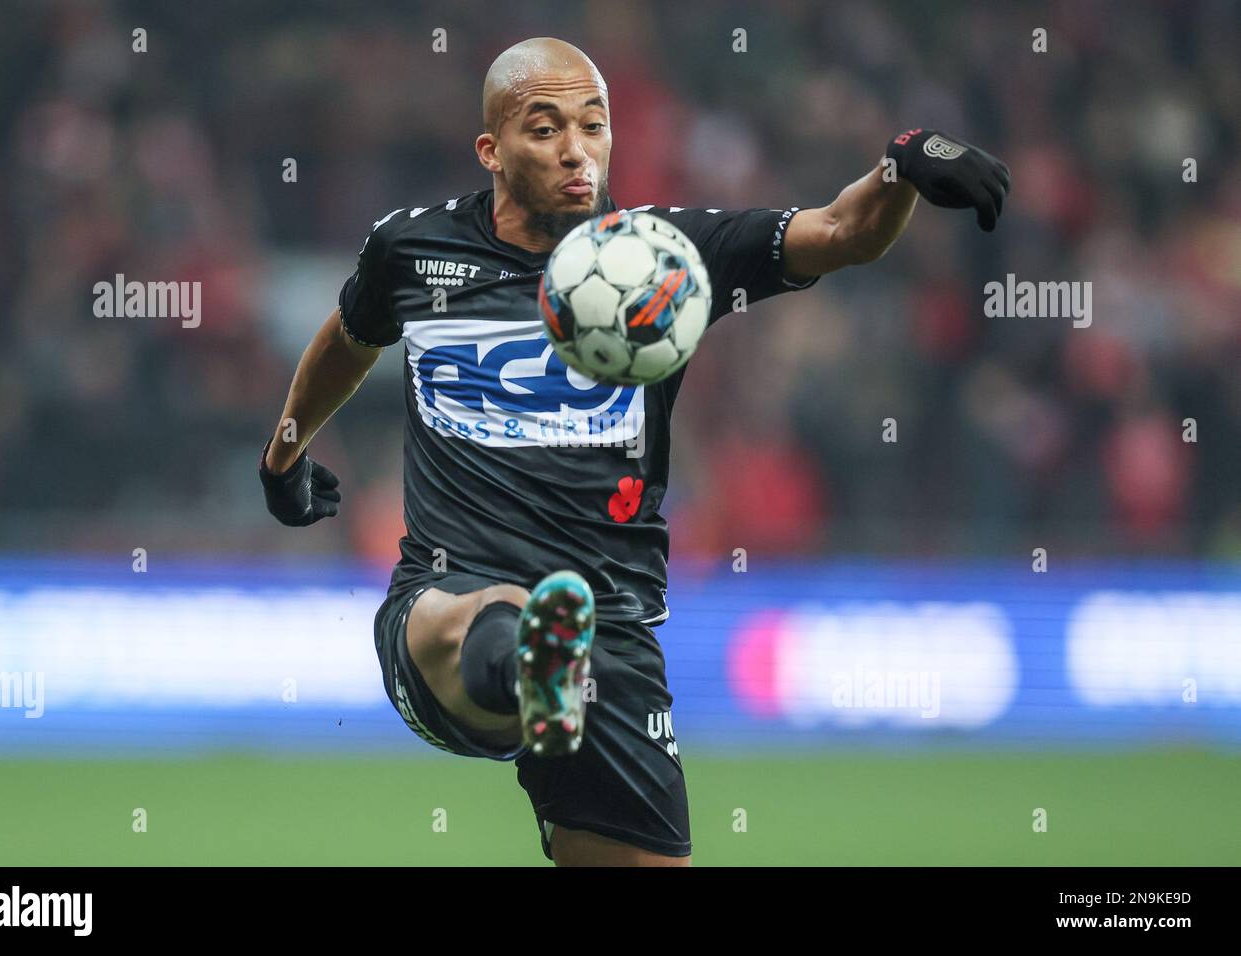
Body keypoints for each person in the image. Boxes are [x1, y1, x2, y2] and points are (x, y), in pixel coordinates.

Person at [259, 36, 1009, 866]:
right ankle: (530, 662)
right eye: (544, 130)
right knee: (477, 616)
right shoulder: (412, 249)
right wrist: (284, 455)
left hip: (611, 632)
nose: (576, 150)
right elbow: (351, 337)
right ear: (492, 151)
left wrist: (905, 164)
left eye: (593, 125)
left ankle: (554, 665)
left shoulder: (667, 257)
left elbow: (841, 231)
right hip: (446, 596)